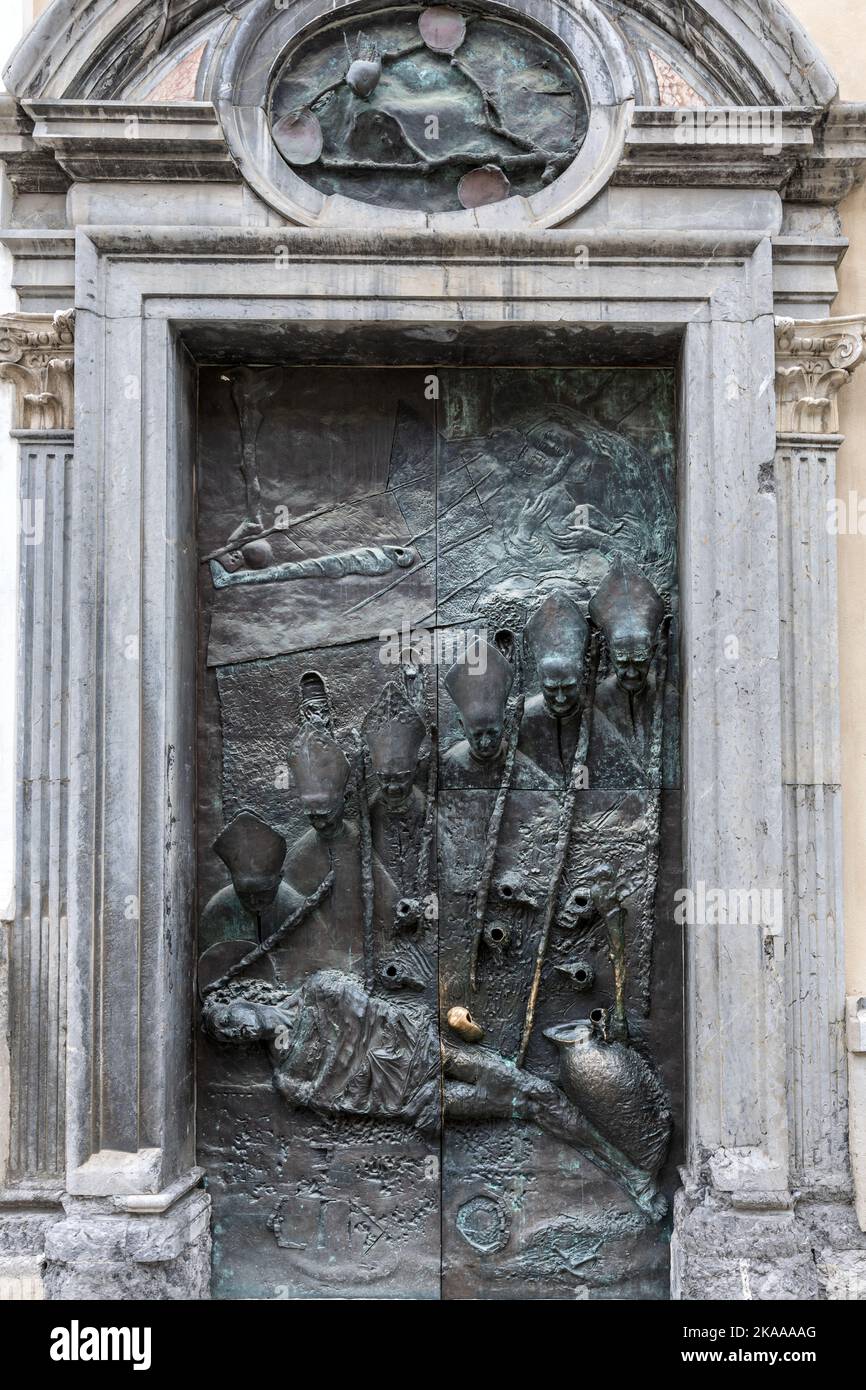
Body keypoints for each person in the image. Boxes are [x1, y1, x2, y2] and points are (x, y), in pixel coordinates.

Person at [588, 556, 677, 788]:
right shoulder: (593, 704)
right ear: (609, 654)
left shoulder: (671, 700)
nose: (630, 673)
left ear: (654, 651)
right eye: (622, 662)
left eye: (639, 662)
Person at [518, 589, 590, 788]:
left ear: (581, 677)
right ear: (539, 681)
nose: (560, 698)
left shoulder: (597, 719)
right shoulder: (522, 722)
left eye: (568, 687)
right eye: (550, 689)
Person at [200, 810, 300, 951]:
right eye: (244, 895)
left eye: (262, 894)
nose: (253, 902)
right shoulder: (217, 911)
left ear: (279, 878)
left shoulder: (295, 909)